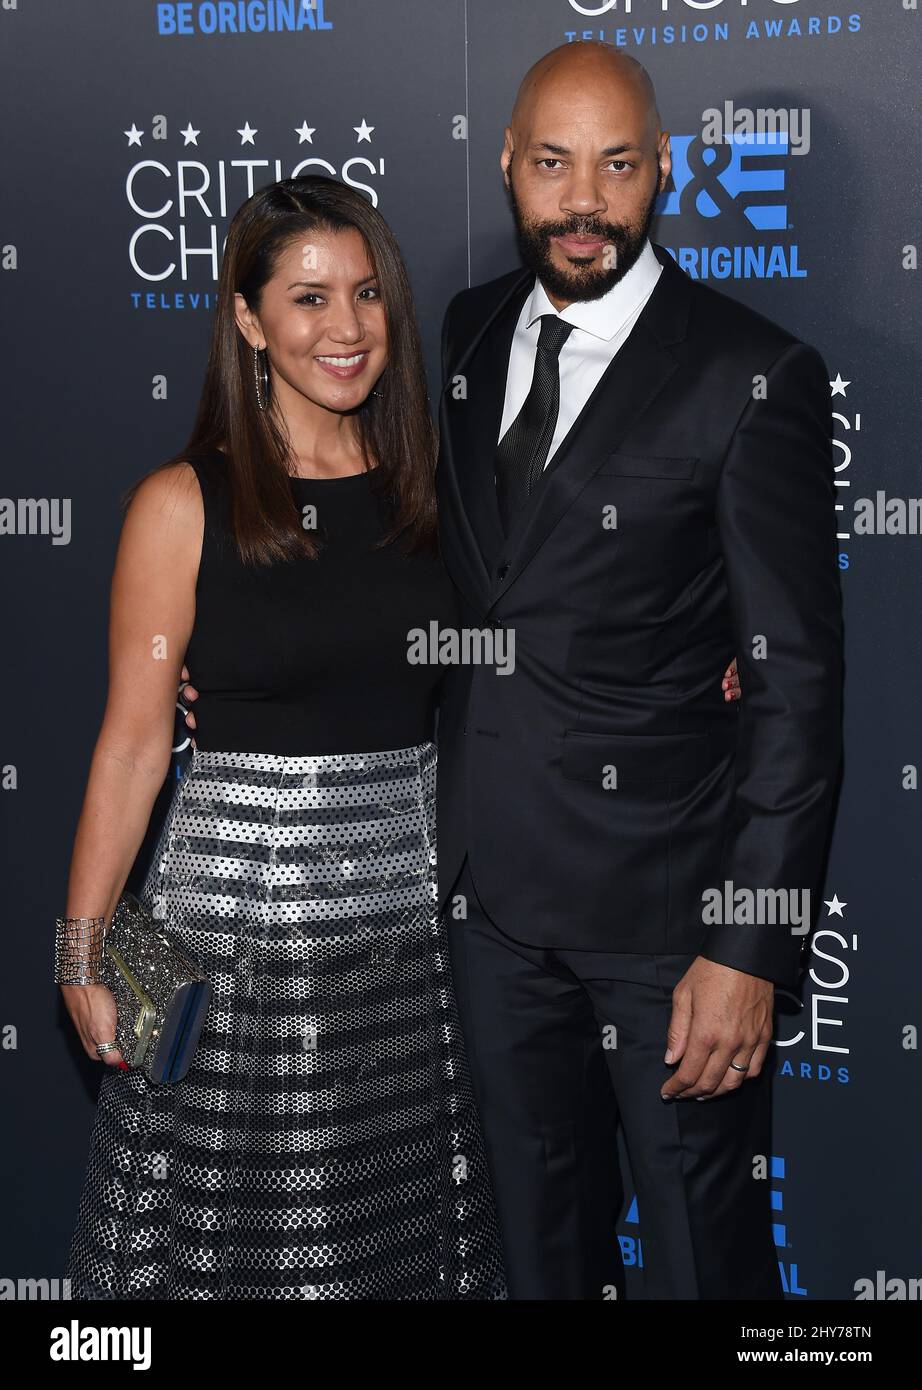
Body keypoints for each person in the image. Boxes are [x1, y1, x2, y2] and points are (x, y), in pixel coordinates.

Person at [431, 43, 844, 1300]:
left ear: (662, 169)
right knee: (535, 1253)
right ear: (507, 166)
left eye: (616, 163)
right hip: (491, 909)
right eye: (552, 162)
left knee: (701, 1262)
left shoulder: (748, 373)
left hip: (669, 931)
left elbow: (798, 688)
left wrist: (749, 950)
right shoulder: (466, 330)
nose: (583, 200)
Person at [58, 174, 506, 1300]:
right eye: (306, 300)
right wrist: (81, 950)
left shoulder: (431, 496)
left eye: (364, 294)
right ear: (249, 322)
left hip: (399, 962)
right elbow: (131, 742)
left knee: (387, 1257)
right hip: (226, 955)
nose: (344, 328)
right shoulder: (182, 502)